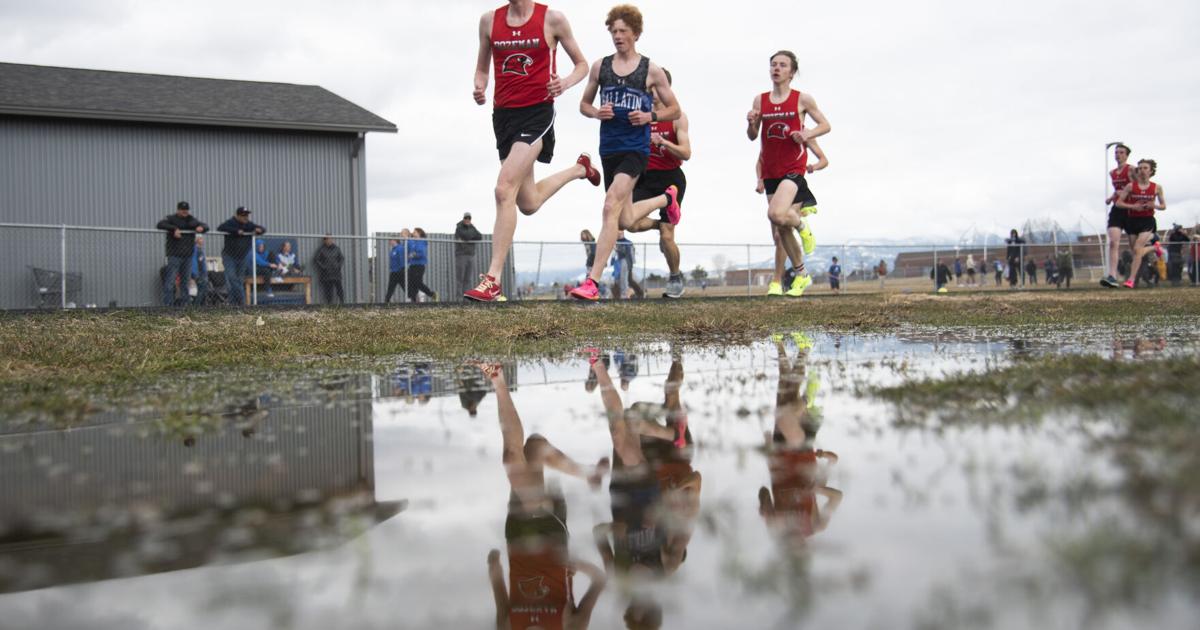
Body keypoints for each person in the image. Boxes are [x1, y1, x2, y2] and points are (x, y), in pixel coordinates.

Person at [465, 0, 595, 302]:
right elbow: (482, 68)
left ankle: (493, 280)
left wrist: (564, 83)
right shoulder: (489, 21)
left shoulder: (552, 19)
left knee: (503, 189)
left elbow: (582, 65)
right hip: (503, 116)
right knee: (528, 201)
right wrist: (479, 86)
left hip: (537, 113)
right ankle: (580, 169)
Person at [470, 361, 608, 629]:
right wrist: (577, 565)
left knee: (534, 448)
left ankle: (589, 475)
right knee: (512, 459)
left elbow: (500, 592)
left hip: (516, 533)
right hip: (550, 532)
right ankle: (497, 379)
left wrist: (493, 565)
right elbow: (600, 580)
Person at [569, 5, 681, 301]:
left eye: (623, 31)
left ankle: (592, 282)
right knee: (624, 219)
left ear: (636, 34)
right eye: (614, 31)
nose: (618, 36)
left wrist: (649, 117)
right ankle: (667, 199)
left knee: (610, 206)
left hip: (635, 149)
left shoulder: (650, 70)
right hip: (609, 149)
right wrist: (596, 112)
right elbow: (583, 105)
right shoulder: (600, 67)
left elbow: (674, 109)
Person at [746, 50, 831, 298]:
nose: (777, 68)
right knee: (781, 226)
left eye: (783, 65)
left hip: (793, 168)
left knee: (776, 214)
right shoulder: (760, 100)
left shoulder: (802, 99)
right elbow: (753, 136)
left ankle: (803, 226)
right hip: (771, 169)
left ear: (792, 72)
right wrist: (751, 123)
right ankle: (802, 275)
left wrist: (807, 134)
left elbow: (826, 125)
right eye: (773, 64)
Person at [624, 68, 691, 298]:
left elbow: (686, 153)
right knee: (629, 223)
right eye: (648, 88)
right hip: (645, 178)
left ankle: (675, 277)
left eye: (655, 88)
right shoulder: (639, 117)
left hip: (670, 179)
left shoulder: (677, 117)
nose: (651, 93)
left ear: (666, 89)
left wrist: (663, 142)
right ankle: (660, 224)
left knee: (667, 236)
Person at [1115, 159, 1167, 288]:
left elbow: (1163, 206)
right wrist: (1133, 206)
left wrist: (1153, 205)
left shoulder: (1157, 187)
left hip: (1147, 221)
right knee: (1136, 251)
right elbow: (1118, 203)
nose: (1142, 170)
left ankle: (1131, 279)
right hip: (1132, 221)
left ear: (1151, 171)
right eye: (1140, 168)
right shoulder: (1130, 186)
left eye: (1145, 168)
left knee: (1138, 249)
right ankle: (1155, 248)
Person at [156, 201, 208, 306]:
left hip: (187, 256)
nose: (185, 212)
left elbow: (205, 226)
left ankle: (185, 305)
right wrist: (174, 229)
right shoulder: (172, 219)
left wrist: (201, 228)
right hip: (174, 255)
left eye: (186, 210)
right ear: (178, 210)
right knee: (170, 281)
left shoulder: (191, 220)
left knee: (185, 282)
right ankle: (168, 305)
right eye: (182, 210)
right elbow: (160, 224)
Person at [217, 206, 265, 306]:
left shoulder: (249, 224)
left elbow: (262, 229)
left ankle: (234, 303)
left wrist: (259, 230)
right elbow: (220, 228)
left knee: (239, 280)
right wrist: (236, 231)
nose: (245, 217)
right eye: (243, 215)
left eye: (247, 215)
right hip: (229, 256)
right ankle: (242, 302)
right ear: (237, 216)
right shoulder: (231, 222)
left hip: (242, 256)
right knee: (232, 278)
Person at [1101, 144, 1134, 287]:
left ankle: (1134, 276)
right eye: (1116, 152)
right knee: (1113, 243)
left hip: (1131, 209)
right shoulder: (1112, 173)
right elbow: (1118, 189)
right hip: (1117, 209)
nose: (1118, 155)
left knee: (1135, 246)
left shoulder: (1131, 170)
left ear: (1126, 155)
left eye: (1121, 152)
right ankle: (1112, 276)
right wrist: (1111, 197)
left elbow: (1138, 187)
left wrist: (1126, 193)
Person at [453, 212, 483, 300]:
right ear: (463, 219)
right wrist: (471, 236)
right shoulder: (459, 227)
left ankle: (466, 298)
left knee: (468, 278)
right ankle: (459, 298)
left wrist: (469, 236)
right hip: (461, 255)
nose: (467, 220)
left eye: (469, 218)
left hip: (470, 255)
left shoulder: (472, 227)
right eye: (466, 218)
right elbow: (466, 235)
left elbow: (479, 236)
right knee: (460, 278)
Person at [406, 228, 437, 302]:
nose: (413, 233)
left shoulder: (421, 242)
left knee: (417, 282)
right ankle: (413, 299)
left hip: (419, 265)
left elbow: (421, 253)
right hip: (412, 265)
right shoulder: (414, 242)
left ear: (419, 233)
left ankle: (432, 294)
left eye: (415, 232)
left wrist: (412, 255)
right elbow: (411, 251)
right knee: (411, 283)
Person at [313, 234, 346, 304]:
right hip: (327, 274)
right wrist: (324, 267)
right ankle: (330, 304)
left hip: (336, 273)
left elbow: (342, 258)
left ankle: (342, 303)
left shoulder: (336, 248)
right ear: (324, 240)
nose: (330, 240)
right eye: (328, 239)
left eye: (331, 239)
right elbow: (316, 259)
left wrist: (338, 265)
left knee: (339, 289)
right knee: (328, 290)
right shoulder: (321, 249)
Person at [384, 233, 408, 303]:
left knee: (405, 287)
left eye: (390, 240)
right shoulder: (393, 249)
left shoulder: (400, 248)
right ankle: (387, 301)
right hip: (393, 272)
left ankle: (413, 299)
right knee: (391, 287)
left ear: (395, 240)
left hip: (399, 272)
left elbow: (401, 259)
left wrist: (402, 269)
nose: (389, 242)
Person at [190, 235, 209, 305]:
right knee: (201, 290)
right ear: (196, 240)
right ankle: (197, 305)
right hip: (199, 273)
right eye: (200, 238)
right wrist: (195, 274)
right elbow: (198, 263)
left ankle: (200, 305)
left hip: (200, 273)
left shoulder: (199, 249)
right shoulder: (197, 250)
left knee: (203, 290)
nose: (202, 240)